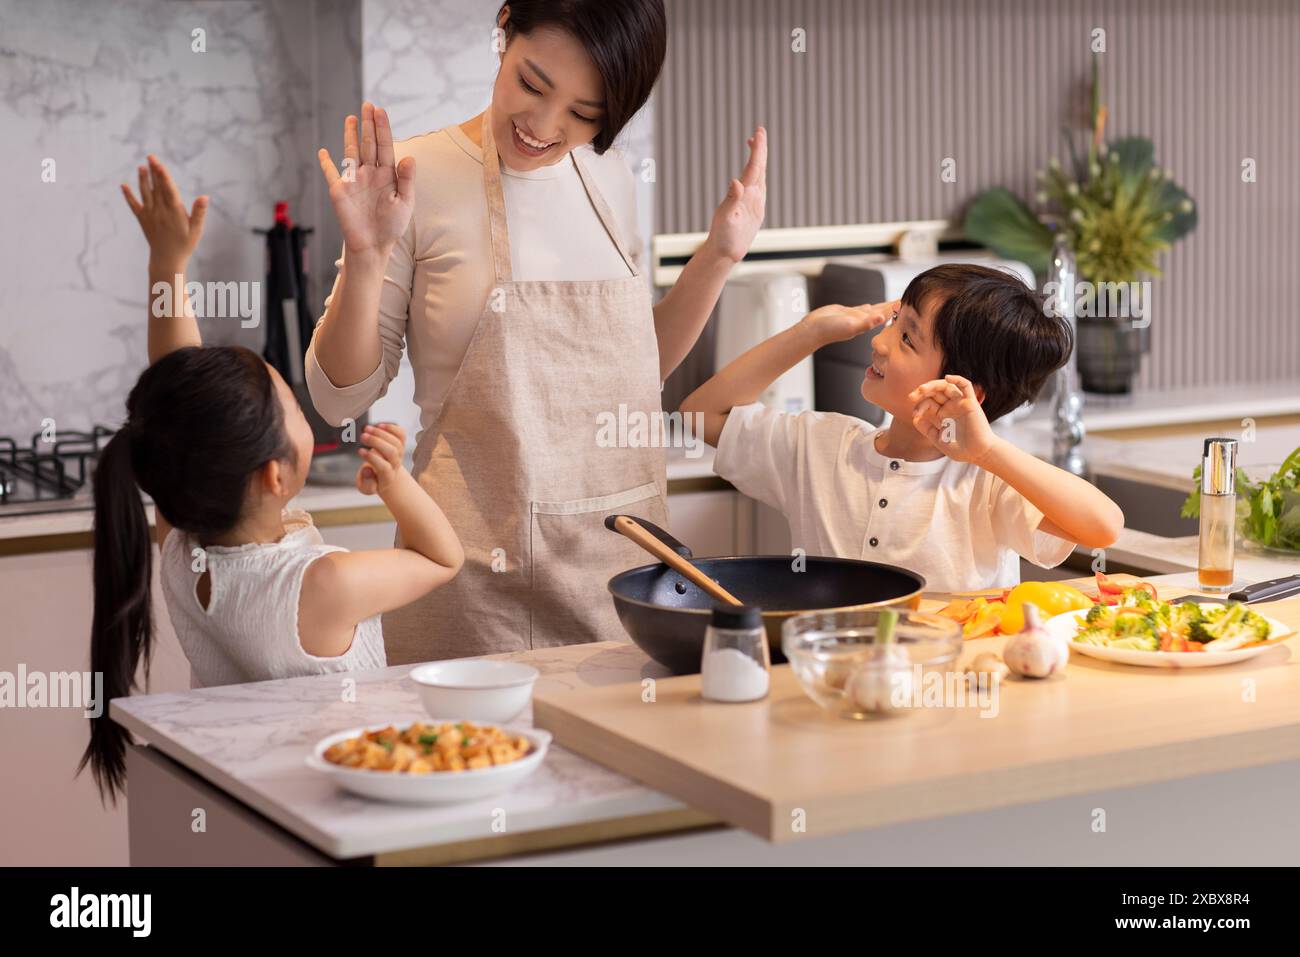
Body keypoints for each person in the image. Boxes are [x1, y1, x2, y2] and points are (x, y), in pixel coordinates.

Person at [308, 0, 766, 661]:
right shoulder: (416, 176)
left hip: (619, 585)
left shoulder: (611, 182)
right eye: (532, 83)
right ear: (505, 31)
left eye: (585, 114)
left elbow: (638, 372)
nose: (544, 127)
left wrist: (719, 256)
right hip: (470, 591)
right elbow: (337, 399)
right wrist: (368, 255)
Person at [80, 156, 464, 802]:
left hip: (255, 793)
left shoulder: (184, 544)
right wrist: (399, 483)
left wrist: (168, 267)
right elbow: (442, 556)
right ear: (275, 475)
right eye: (291, 405)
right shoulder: (324, 582)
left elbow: (181, 400)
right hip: (351, 796)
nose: (301, 407)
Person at [680, 263, 1125, 592]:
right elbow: (700, 413)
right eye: (895, 321)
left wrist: (987, 452)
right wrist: (810, 332)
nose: (878, 340)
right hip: (835, 685)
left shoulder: (985, 480)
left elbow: (1104, 527)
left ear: (960, 388)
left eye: (908, 338)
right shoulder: (819, 446)